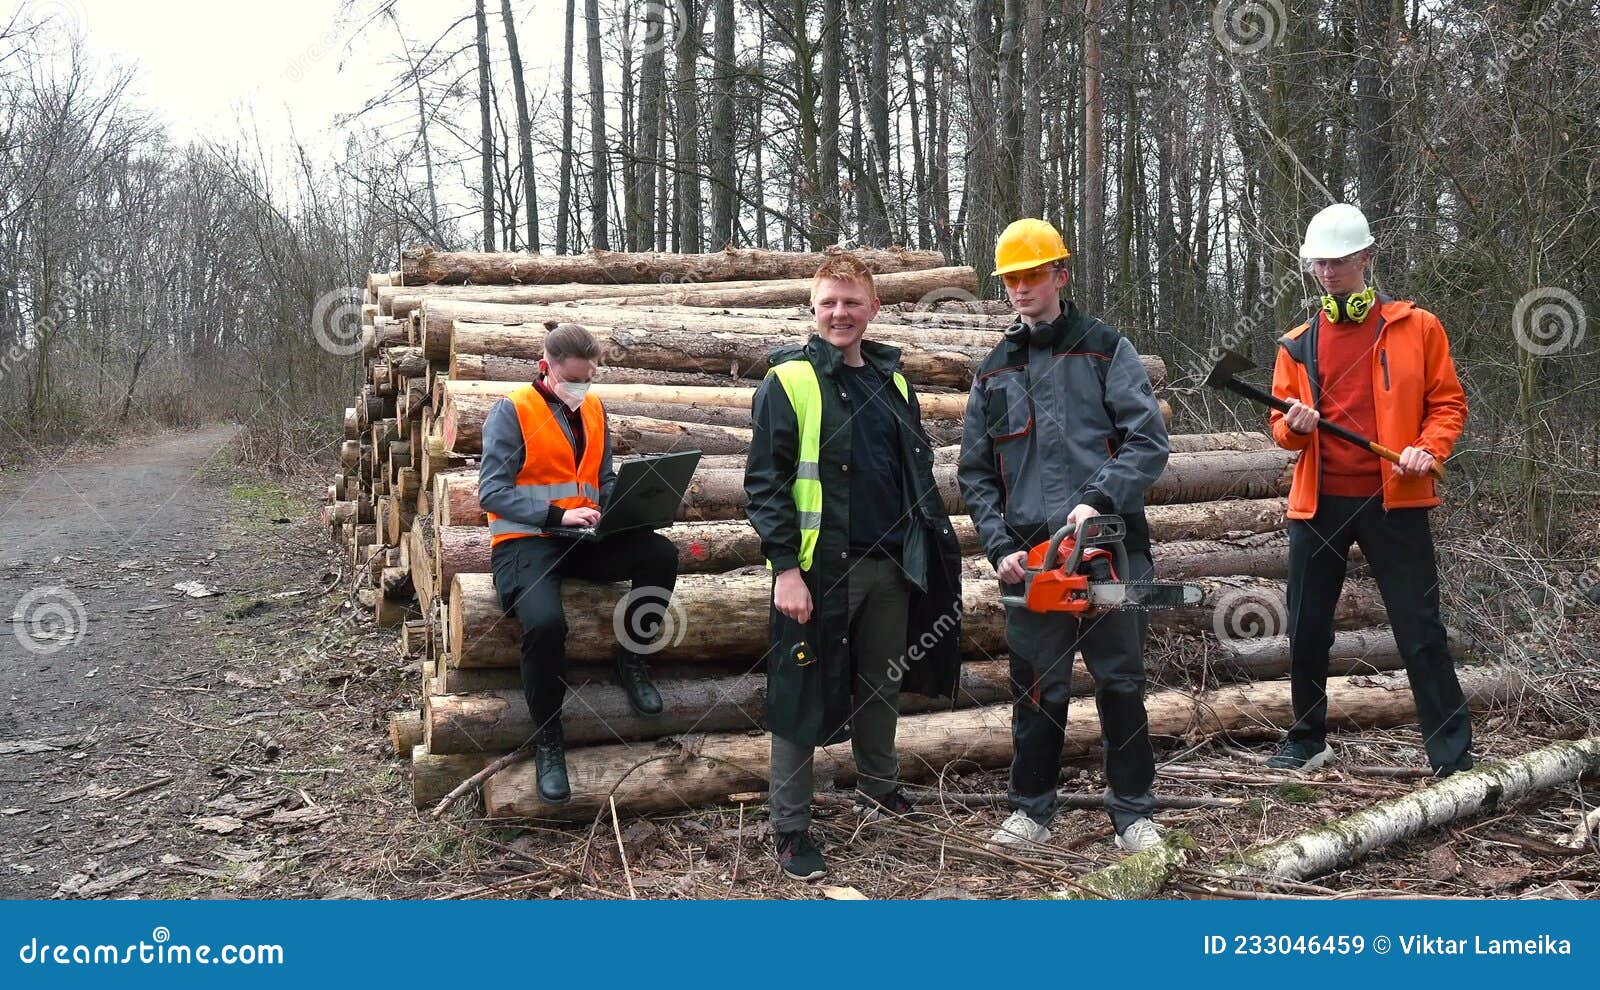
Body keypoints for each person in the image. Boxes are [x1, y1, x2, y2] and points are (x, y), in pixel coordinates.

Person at [744, 253, 964, 882]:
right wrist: (785, 568)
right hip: (820, 571)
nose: (840, 314)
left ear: (873, 308)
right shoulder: (788, 381)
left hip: (892, 565)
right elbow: (764, 484)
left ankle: (879, 784)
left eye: (852, 302)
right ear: (812, 310)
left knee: (881, 682)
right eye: (829, 303)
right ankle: (790, 827)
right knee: (800, 693)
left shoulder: (893, 379)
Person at [957, 218, 1170, 853]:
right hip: (1033, 566)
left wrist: (1097, 501)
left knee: (1121, 682)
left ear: (1061, 275)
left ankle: (1134, 813)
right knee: (1036, 686)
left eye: (1032, 275)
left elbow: (1148, 440)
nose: (1021, 288)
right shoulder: (993, 370)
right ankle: (1031, 809)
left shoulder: (1108, 350)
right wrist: (1000, 548)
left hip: (1110, 554)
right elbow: (974, 473)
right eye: (1011, 279)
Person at [1266, 203, 1472, 775]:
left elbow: (1447, 403)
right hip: (1318, 503)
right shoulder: (1297, 344)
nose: (1329, 274)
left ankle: (1452, 755)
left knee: (1419, 628)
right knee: (1307, 626)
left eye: (1339, 262)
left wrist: (1428, 449)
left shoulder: (1416, 328)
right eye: (1318, 265)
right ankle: (1308, 739)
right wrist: (1293, 428)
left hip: (1395, 499)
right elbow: (1280, 428)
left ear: (1366, 258)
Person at [477, 323, 678, 804]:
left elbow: (600, 478)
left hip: (583, 535)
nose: (580, 388)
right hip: (525, 541)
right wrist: (556, 515)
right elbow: (492, 492)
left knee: (661, 554)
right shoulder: (512, 411)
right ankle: (549, 736)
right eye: (572, 379)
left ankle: (632, 659)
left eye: (588, 378)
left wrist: (624, 503)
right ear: (546, 367)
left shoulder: (593, 407)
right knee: (546, 624)